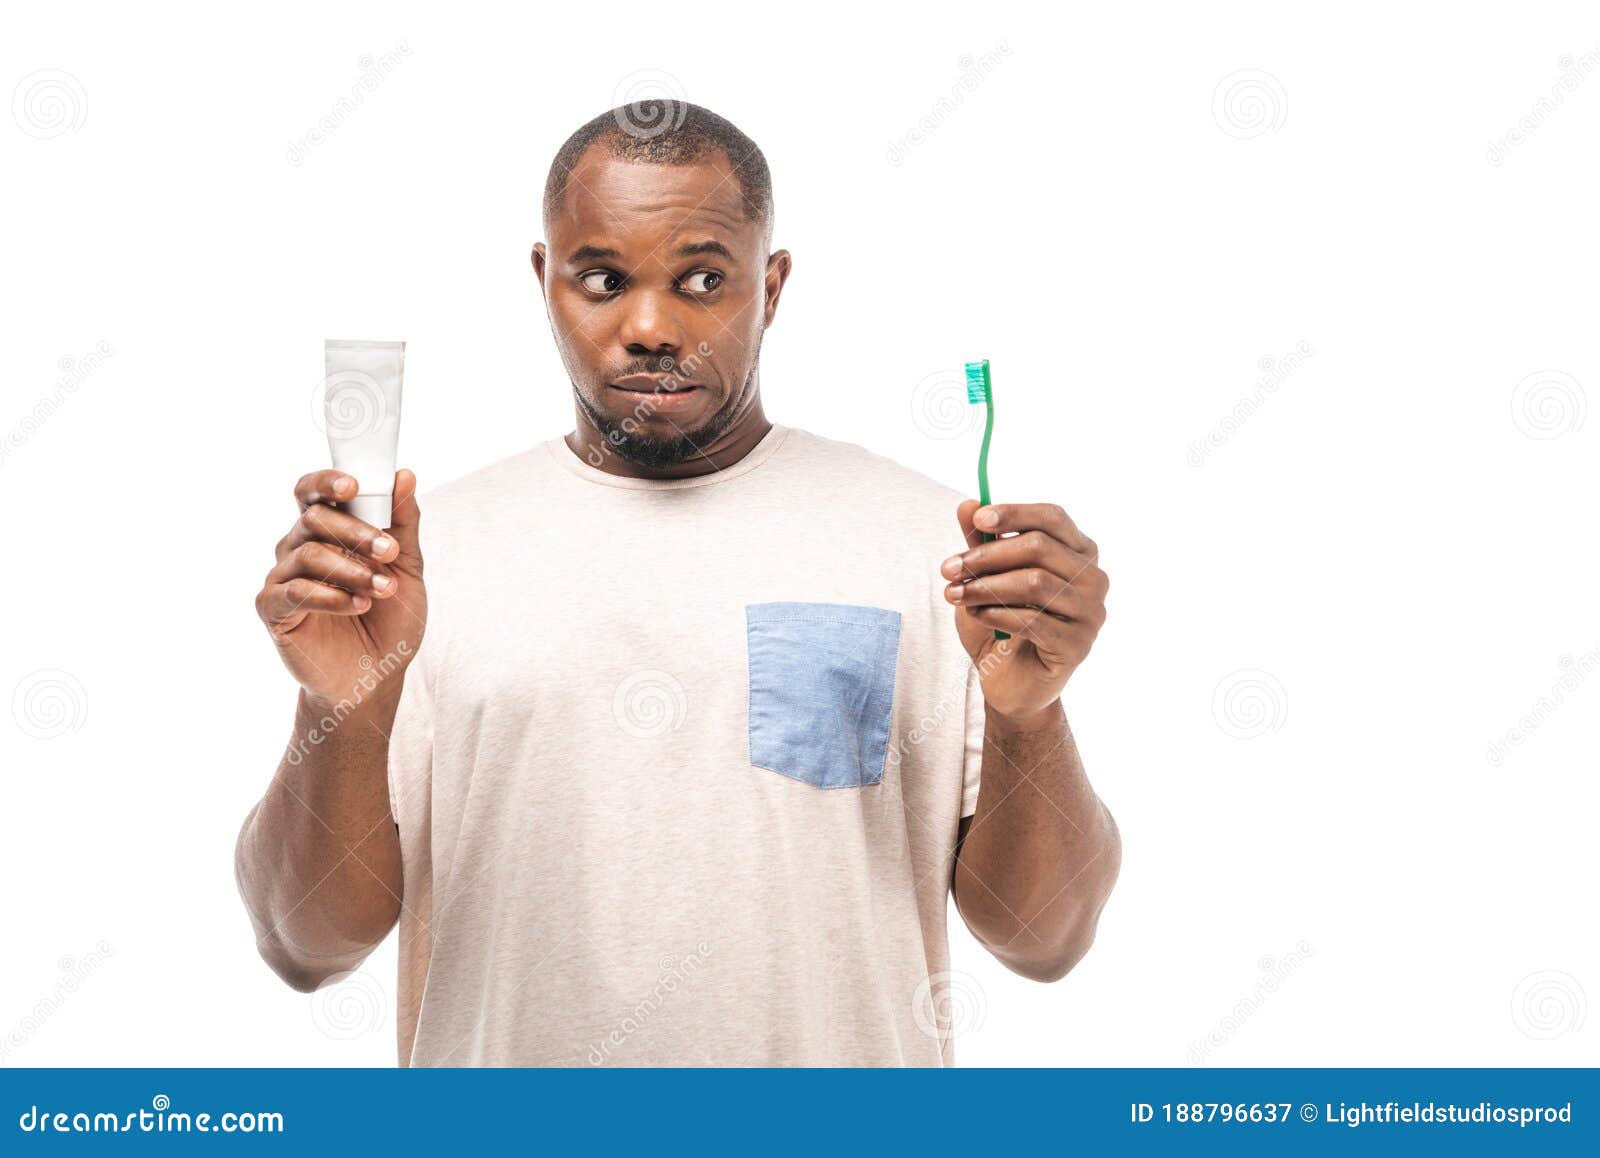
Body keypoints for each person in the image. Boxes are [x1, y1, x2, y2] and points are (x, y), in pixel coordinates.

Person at [236, 102, 1120, 1066]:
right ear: (546, 281)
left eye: (704, 279)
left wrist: (1033, 715)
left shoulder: (939, 551)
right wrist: (344, 707)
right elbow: (304, 947)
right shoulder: (414, 566)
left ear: (771, 287)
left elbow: (1045, 942)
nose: (652, 326)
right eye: (603, 280)